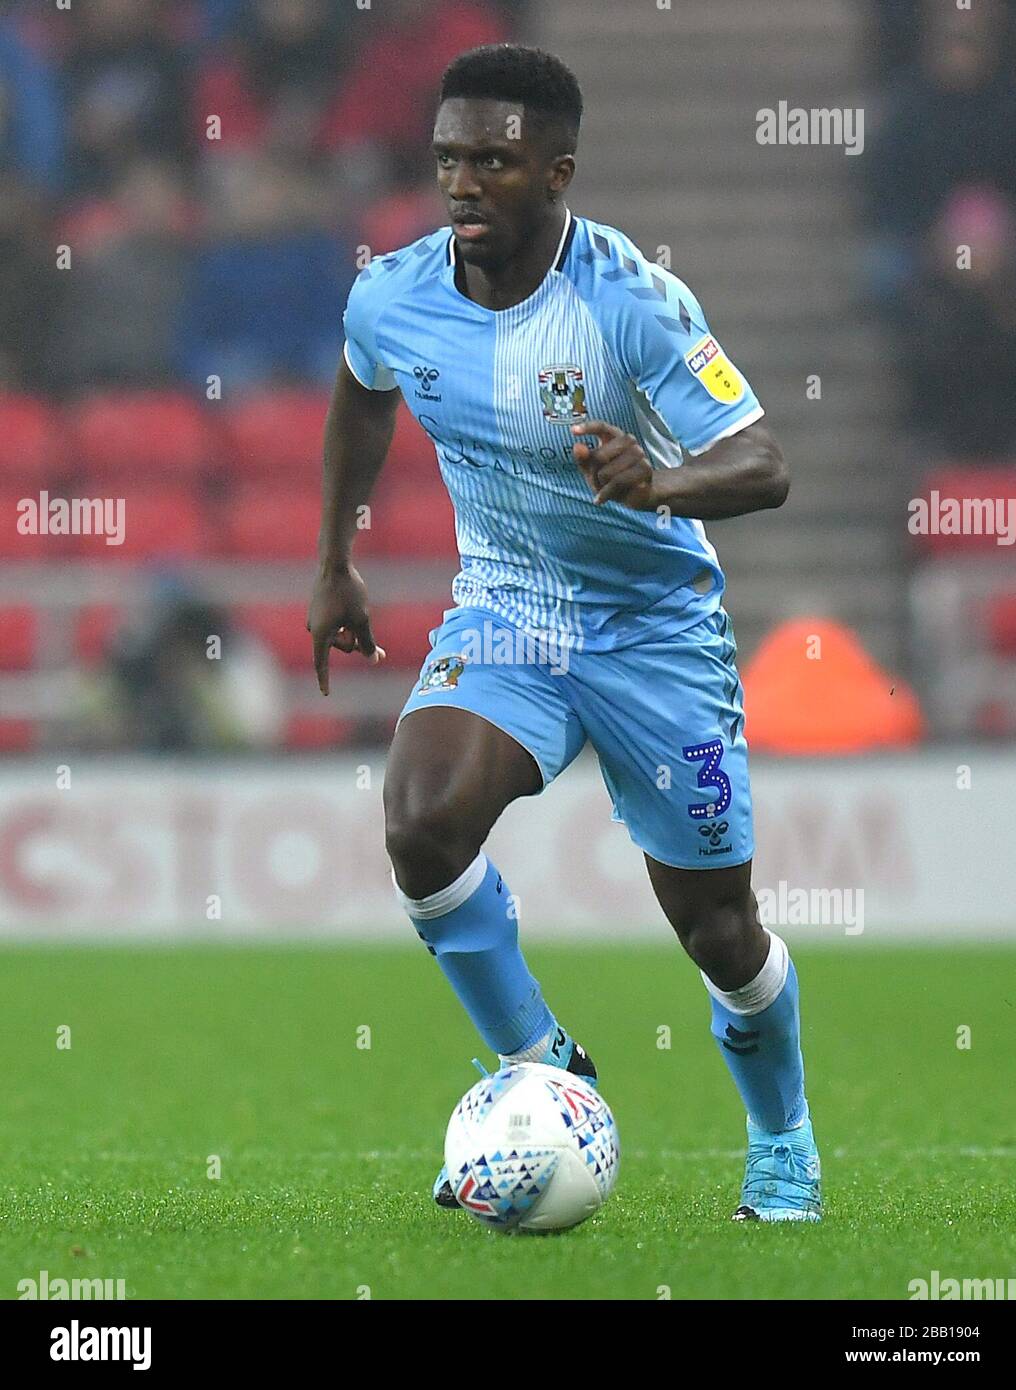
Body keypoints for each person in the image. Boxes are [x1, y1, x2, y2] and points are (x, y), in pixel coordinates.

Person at [308, 45, 820, 1223]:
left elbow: (764, 464)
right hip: (508, 611)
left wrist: (661, 480)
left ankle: (781, 1139)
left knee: (718, 929)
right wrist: (334, 557)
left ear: (557, 172)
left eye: (493, 160)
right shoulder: (396, 293)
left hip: (653, 634)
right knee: (421, 824)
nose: (463, 184)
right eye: (448, 159)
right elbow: (362, 388)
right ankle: (544, 1070)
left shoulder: (630, 304)